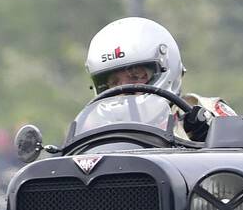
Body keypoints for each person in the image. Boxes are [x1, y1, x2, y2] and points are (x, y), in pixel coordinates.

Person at [84, 17, 234, 142]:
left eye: (137, 77)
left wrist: (208, 140)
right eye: (114, 83)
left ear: (167, 67)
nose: (124, 89)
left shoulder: (212, 115)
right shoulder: (91, 131)